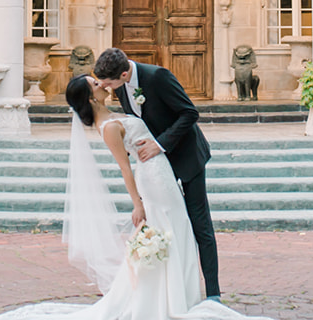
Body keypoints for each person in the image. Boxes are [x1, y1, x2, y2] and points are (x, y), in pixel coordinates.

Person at [0, 75, 280, 320]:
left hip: (161, 173)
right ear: (91, 95)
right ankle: (166, 302)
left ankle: (183, 297)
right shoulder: (107, 127)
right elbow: (124, 167)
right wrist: (137, 204)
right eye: (95, 83)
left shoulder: (114, 111)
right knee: (172, 232)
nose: (101, 83)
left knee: (179, 232)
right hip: (153, 182)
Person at [91, 46, 220, 299]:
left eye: (108, 83)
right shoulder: (119, 86)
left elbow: (189, 113)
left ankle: (213, 294)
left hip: (186, 158)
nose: (105, 87)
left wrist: (160, 144)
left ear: (125, 74)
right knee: (169, 225)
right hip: (155, 169)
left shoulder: (158, 77)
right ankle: (171, 290)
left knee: (199, 225)